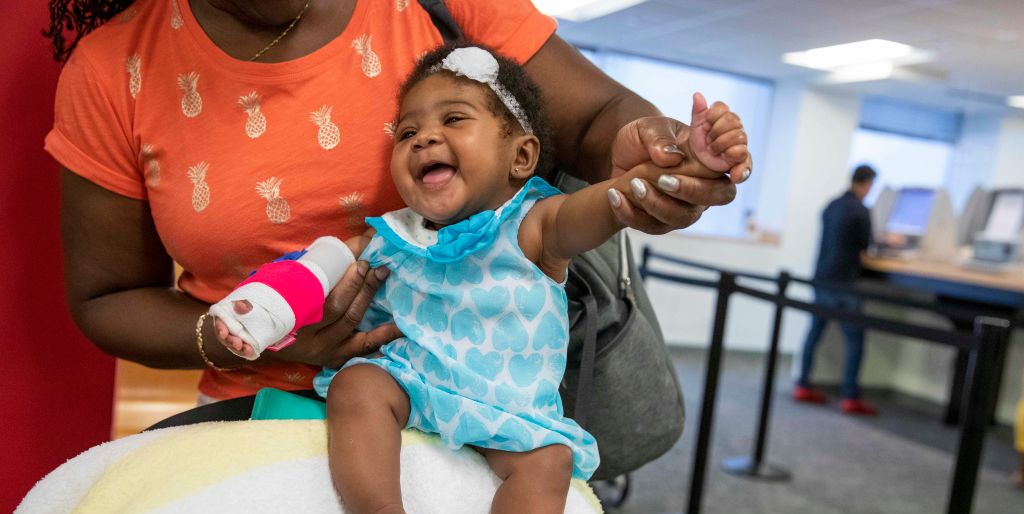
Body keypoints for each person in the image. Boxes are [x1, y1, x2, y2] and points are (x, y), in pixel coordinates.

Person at [208, 42, 750, 514]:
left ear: (521, 155)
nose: (423, 138)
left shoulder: (537, 224)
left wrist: (684, 162)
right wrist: (265, 313)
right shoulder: (392, 235)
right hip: (412, 379)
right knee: (359, 386)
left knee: (547, 465)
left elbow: (613, 202)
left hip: (509, 407)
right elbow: (313, 276)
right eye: (407, 130)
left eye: (453, 120)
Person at [45, 0, 752, 405]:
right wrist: (241, 336)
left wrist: (643, 151)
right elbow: (108, 295)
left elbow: (596, 119)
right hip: (252, 413)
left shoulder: (436, 5)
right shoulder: (115, 71)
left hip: (472, 394)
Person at [794, 164, 878, 415]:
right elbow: (865, 250)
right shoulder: (861, 210)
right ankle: (850, 396)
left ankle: (802, 384)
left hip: (821, 278)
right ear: (868, 184)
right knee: (855, 338)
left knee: (815, 331)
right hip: (844, 282)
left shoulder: (831, 205)